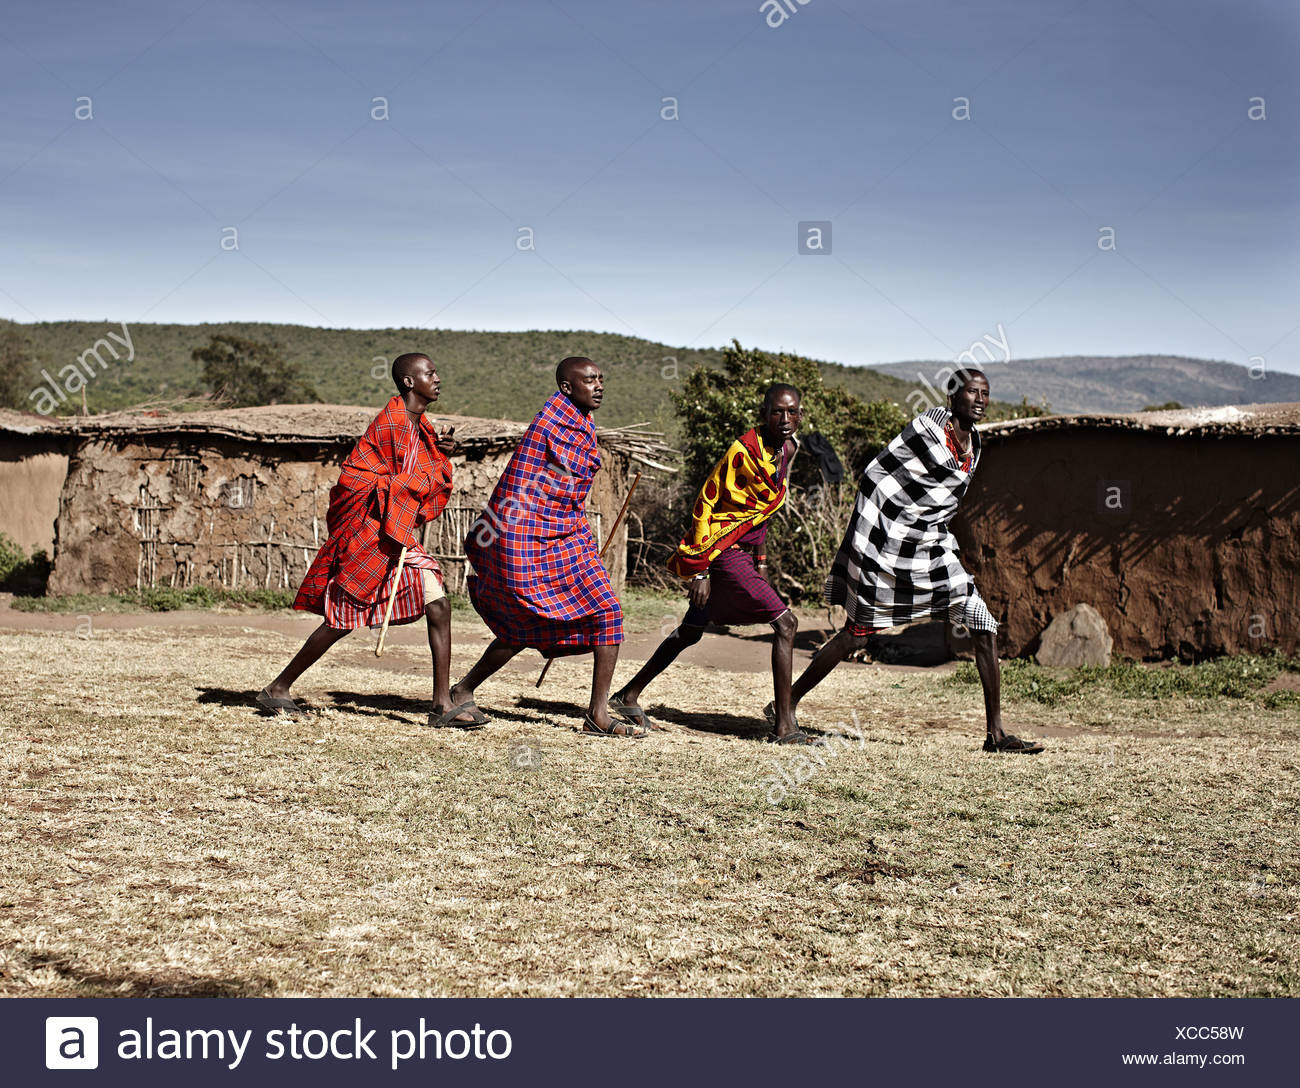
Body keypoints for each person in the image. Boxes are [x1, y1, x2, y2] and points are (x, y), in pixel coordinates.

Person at [792, 368, 1044, 753]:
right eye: (973, 392)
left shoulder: (974, 443)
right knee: (856, 634)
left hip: (932, 546)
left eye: (986, 393)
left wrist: (935, 531)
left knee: (982, 623)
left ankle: (996, 735)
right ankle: (787, 704)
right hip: (890, 545)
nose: (980, 400)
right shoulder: (926, 428)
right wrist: (882, 530)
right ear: (953, 397)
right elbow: (877, 475)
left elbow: (944, 500)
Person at [257, 353, 480, 727]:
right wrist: (402, 487)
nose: (438, 379)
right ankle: (278, 688)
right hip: (370, 534)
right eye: (430, 373)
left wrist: (440, 454)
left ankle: (442, 704)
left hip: (397, 532)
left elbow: (422, 474)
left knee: (438, 603)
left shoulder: (420, 426)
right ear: (409, 382)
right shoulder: (390, 422)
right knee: (342, 619)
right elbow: (354, 480)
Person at [610, 384, 813, 743]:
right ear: (764, 414)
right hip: (720, 552)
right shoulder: (742, 451)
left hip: (743, 552)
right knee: (787, 625)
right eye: (778, 412)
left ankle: (628, 696)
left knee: (690, 630)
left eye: (792, 411)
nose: (785, 419)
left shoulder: (788, 450)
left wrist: (762, 563)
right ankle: (784, 728)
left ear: (800, 414)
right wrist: (701, 568)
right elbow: (707, 503)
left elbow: (760, 513)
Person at [448, 357, 636, 736]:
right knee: (523, 625)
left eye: (601, 379)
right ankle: (463, 688)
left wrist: (571, 522)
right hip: (525, 535)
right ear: (568, 387)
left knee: (609, 612)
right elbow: (521, 487)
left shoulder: (583, 421)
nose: (598, 386)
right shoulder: (549, 424)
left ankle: (597, 713)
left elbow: (570, 489)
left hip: (568, 533)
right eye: (589, 381)